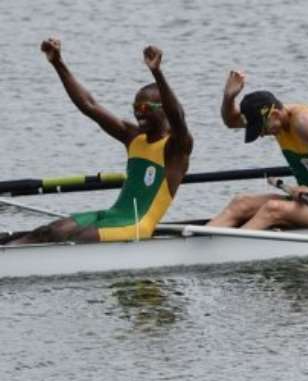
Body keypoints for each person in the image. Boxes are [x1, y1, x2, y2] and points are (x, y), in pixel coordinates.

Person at [11, 38, 193, 245]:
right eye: (134, 108)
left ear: (162, 109)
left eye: (144, 108)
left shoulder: (176, 148)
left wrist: (157, 72)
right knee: (50, 231)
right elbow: (89, 105)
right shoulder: (132, 138)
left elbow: (177, 115)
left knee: (81, 238)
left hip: (136, 225)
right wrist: (57, 62)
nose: (137, 113)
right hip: (111, 215)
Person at [207, 70, 308, 229]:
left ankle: (231, 249)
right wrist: (228, 97)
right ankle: (199, 242)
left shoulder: (305, 123)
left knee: (272, 209)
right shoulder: (274, 117)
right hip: (304, 200)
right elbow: (231, 122)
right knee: (240, 203)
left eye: (262, 129)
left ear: (274, 114)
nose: (262, 135)